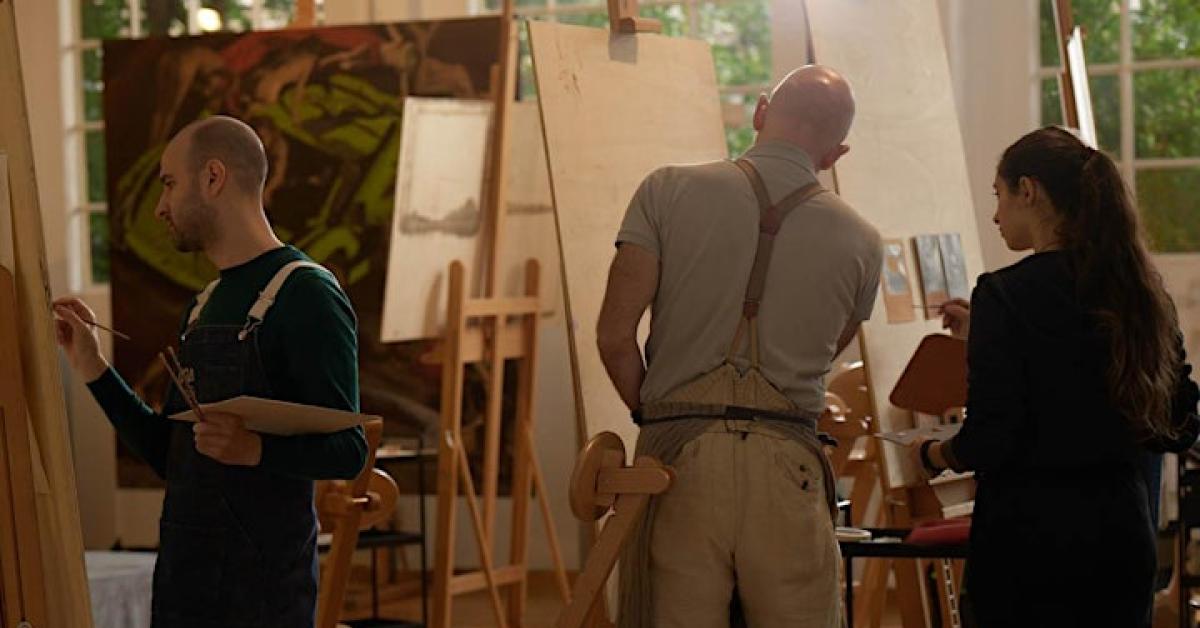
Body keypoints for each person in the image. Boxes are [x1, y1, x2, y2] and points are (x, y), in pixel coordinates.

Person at [54, 115, 368, 628]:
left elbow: (349, 452)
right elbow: (169, 455)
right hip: (185, 582)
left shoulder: (305, 293)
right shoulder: (203, 306)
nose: (159, 206)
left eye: (169, 184)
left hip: (263, 595)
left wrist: (256, 450)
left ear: (214, 177)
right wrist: (92, 366)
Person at [596, 65, 880, 628]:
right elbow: (827, 353)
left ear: (759, 111)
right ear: (836, 153)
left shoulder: (667, 189)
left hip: (679, 463)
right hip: (788, 469)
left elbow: (614, 337)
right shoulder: (863, 242)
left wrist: (654, 415)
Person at [910, 126, 1200, 627]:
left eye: (999, 195)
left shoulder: (1005, 294)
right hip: (1120, 540)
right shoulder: (1141, 296)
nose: (996, 215)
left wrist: (931, 454)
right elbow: (1180, 423)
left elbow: (990, 438)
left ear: (1029, 190)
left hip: (1029, 545)